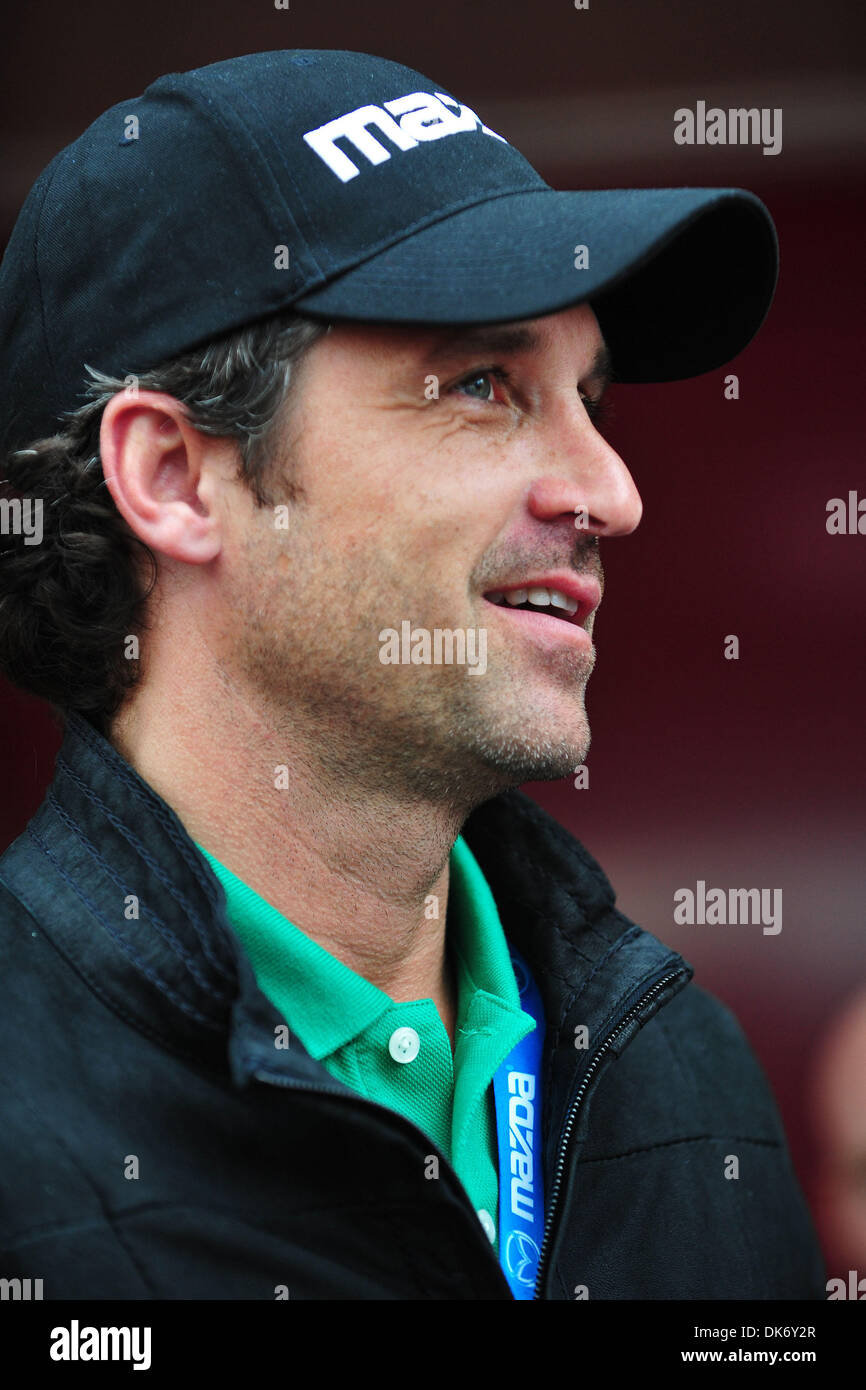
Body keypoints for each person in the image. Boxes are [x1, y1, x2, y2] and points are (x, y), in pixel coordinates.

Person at [0, 48, 824, 1300]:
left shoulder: (675, 1065)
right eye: (485, 385)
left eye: (588, 397)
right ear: (173, 477)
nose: (611, 491)